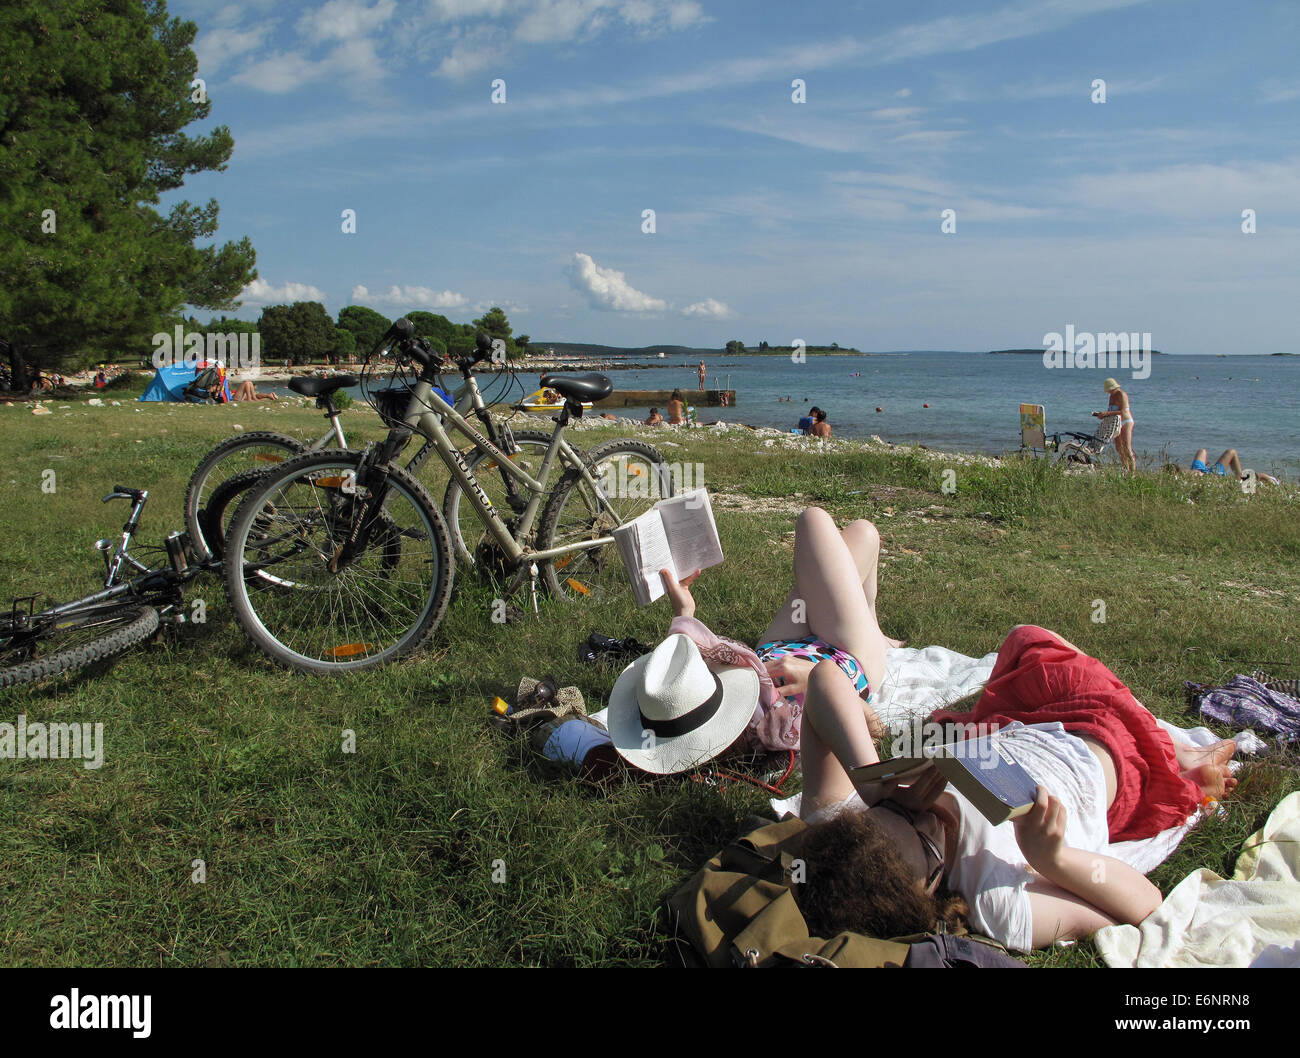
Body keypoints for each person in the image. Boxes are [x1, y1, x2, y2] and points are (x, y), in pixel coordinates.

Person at [790, 624, 1237, 951]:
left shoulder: (839, 822)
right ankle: (1170, 750)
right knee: (1113, 708)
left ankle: (1165, 741)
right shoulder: (997, 902)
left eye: (894, 813)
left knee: (1027, 638)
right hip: (1103, 759)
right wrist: (1056, 859)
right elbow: (1142, 904)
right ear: (932, 889)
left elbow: (827, 678)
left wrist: (872, 781)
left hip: (1015, 731)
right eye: (925, 835)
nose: (924, 808)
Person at [606, 508, 905, 772]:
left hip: (775, 651)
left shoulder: (677, 703)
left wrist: (685, 611)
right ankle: (871, 628)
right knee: (850, 531)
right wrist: (816, 679)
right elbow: (875, 729)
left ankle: (867, 618)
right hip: (844, 660)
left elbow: (686, 662)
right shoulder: (779, 731)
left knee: (840, 535)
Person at [1093, 378, 1135, 471]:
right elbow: (1111, 411)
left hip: (1126, 421)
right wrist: (1102, 415)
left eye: (1110, 390)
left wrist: (1106, 414)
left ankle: (1133, 472)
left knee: (1127, 448)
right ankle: (1126, 468)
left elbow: (1123, 411)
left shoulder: (1121, 394)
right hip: (1116, 422)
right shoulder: (1111, 396)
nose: (1109, 392)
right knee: (1119, 448)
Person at [1171, 449, 1279, 485]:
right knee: (1231, 452)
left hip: (1199, 470)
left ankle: (1241, 478)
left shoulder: (1180, 476)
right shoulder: (1185, 481)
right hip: (1213, 475)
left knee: (1202, 451)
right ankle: (1240, 479)